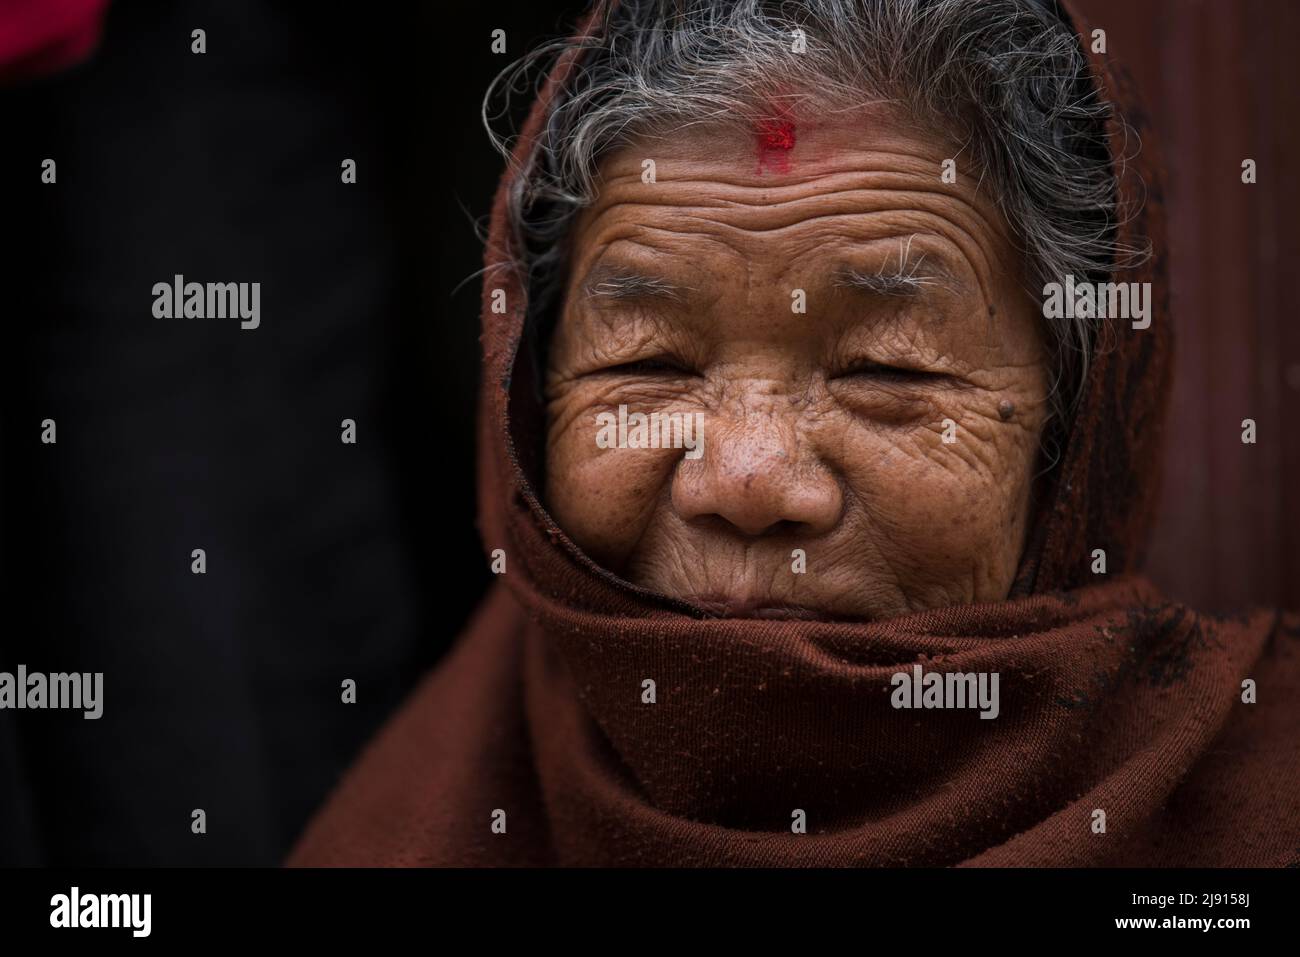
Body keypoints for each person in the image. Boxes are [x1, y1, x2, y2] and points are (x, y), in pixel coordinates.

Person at [288, 0, 1300, 867]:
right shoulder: (409, 831)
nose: (747, 478)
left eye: (887, 371)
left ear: (1075, 428)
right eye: (650, 363)